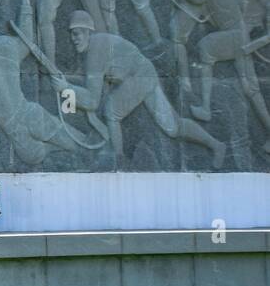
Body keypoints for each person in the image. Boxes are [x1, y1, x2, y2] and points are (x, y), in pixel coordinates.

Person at [54, 11, 225, 168]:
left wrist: (65, 89)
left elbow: (92, 101)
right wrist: (68, 81)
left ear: (88, 32)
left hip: (140, 76)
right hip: (144, 73)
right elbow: (93, 81)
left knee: (112, 110)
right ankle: (217, 145)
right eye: (71, 34)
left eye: (76, 34)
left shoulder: (95, 51)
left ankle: (118, 162)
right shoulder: (98, 43)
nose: (73, 39)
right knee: (173, 128)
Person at [164, 0, 270, 152]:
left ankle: (205, 106)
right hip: (235, 35)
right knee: (251, 89)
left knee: (205, 48)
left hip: (234, 35)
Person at [0, 0, 87, 166]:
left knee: (59, 147)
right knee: (41, 154)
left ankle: (95, 150)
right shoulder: (5, 47)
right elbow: (26, 37)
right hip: (20, 125)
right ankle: (90, 149)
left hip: (26, 115)